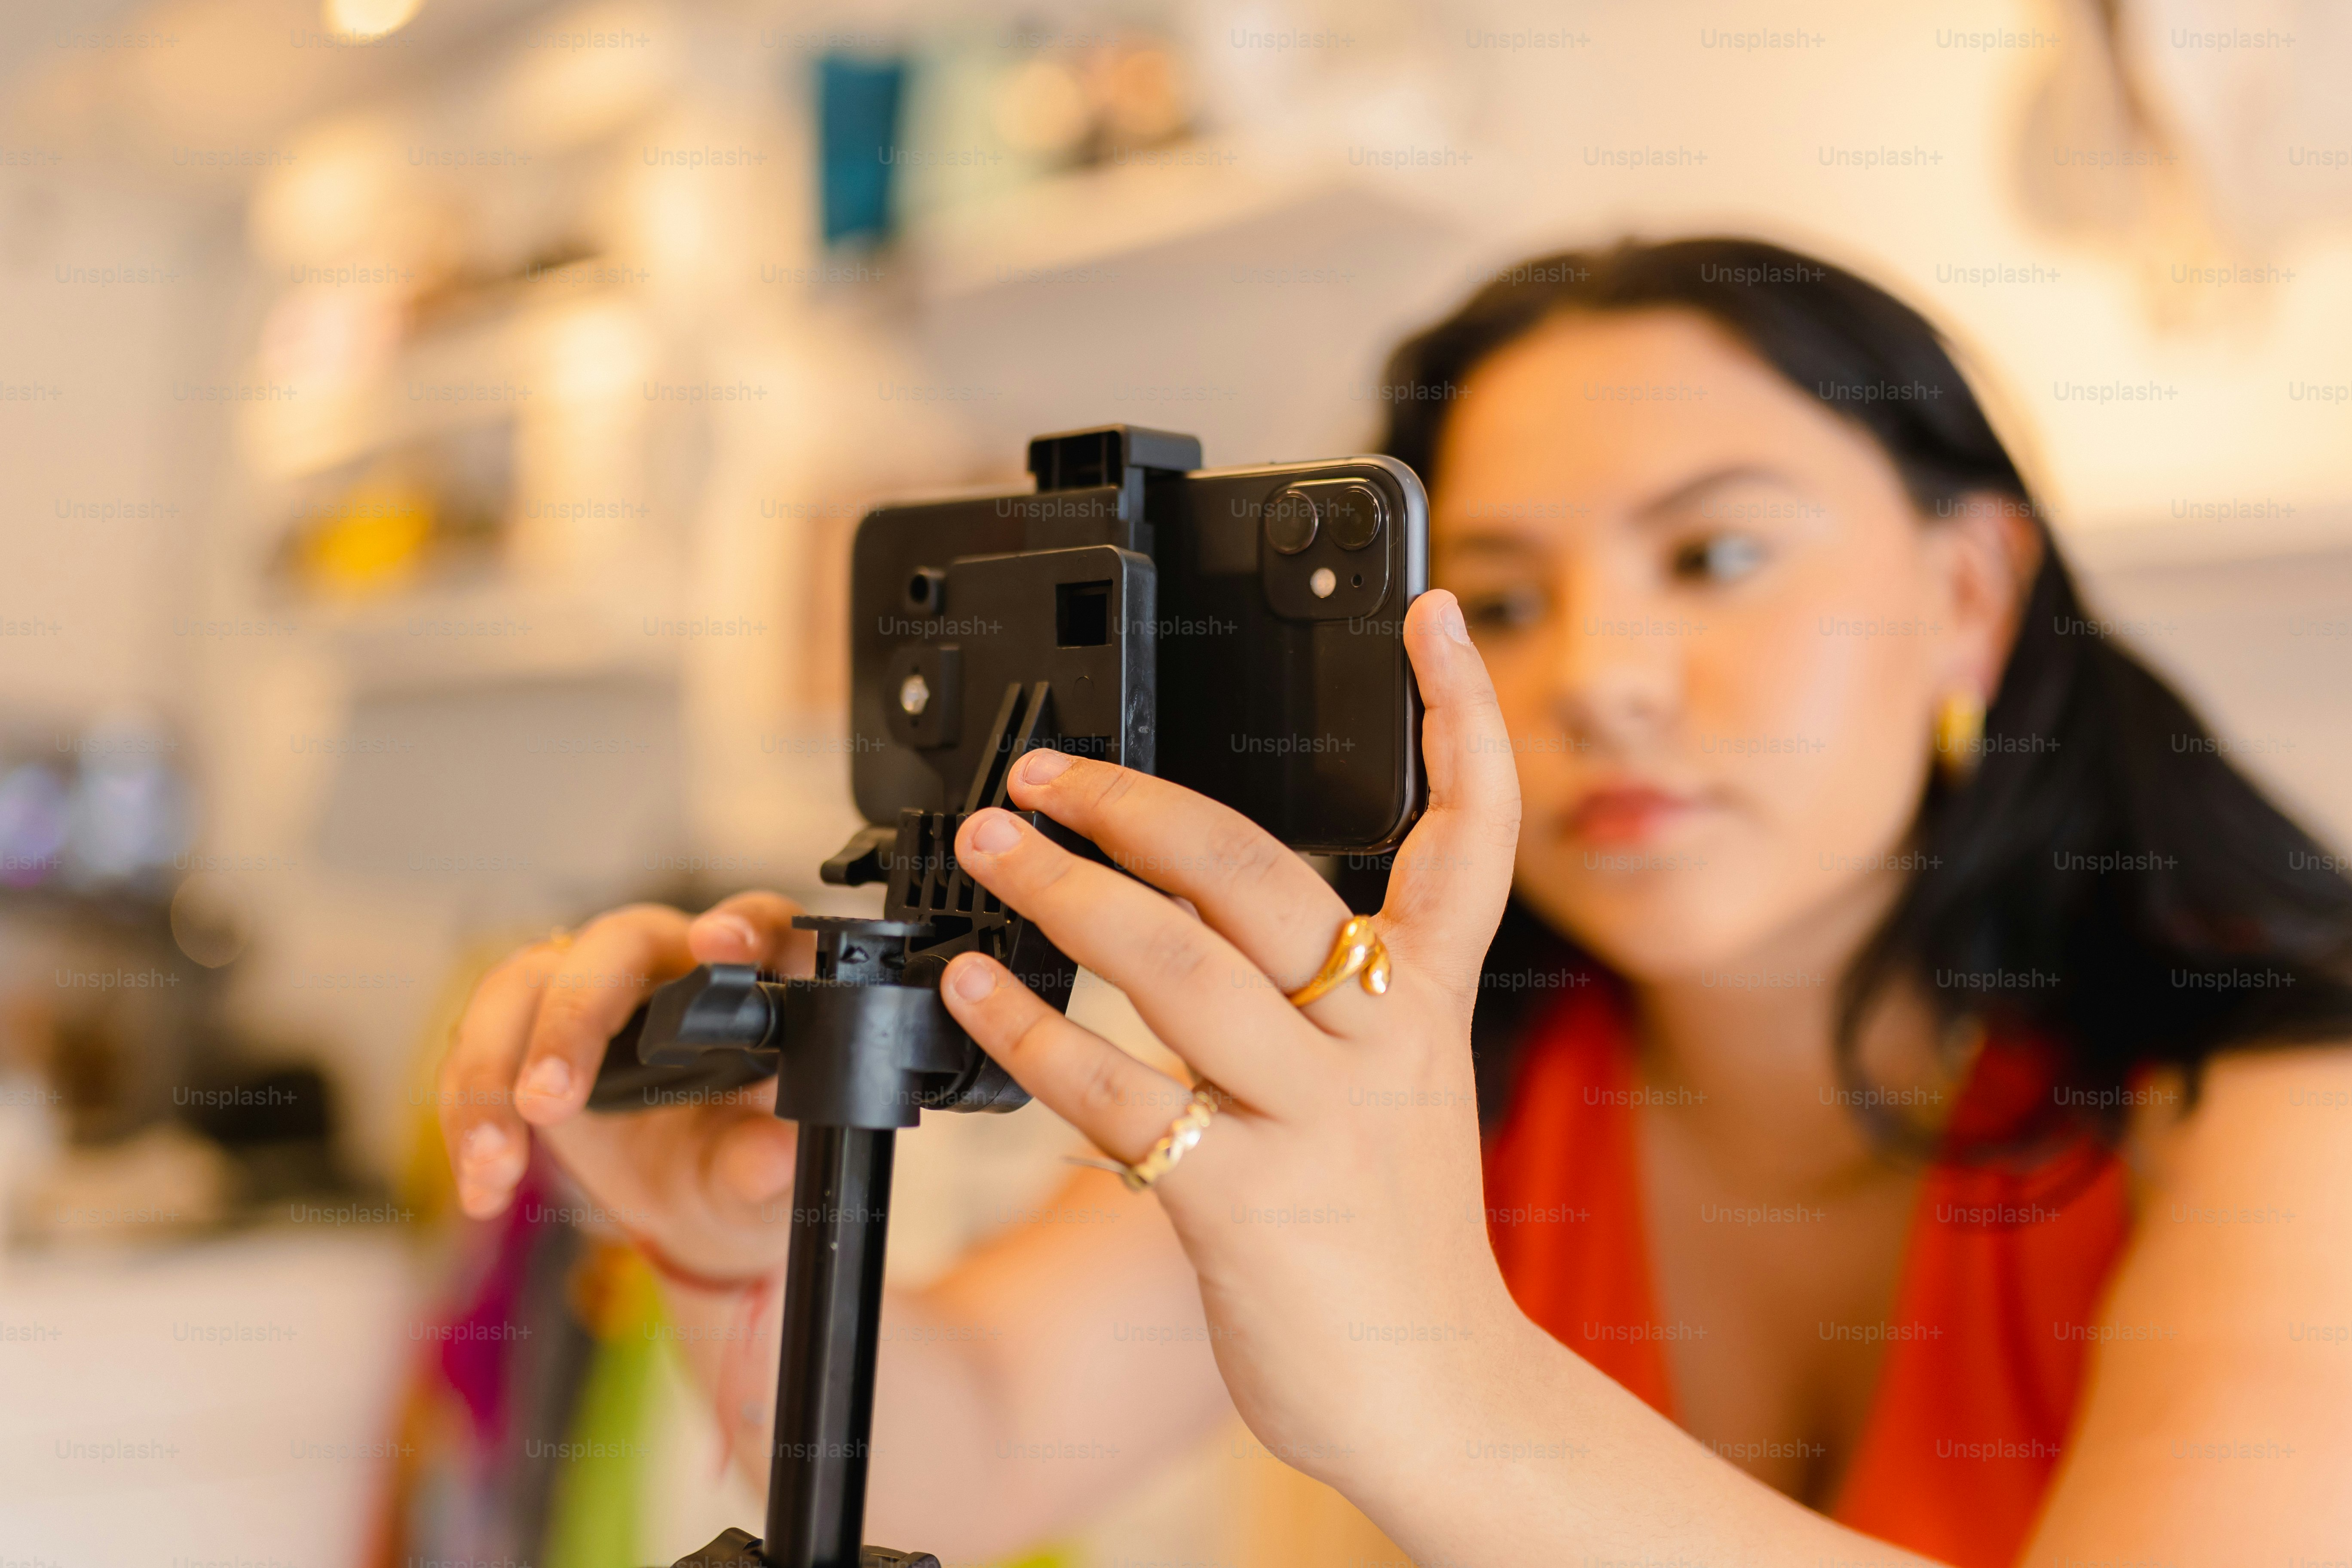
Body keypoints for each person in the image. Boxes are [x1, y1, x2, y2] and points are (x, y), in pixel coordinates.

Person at [438, 238, 2352, 1565]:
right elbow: (977, 1439)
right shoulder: (1453, 1052)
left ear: (1968, 593)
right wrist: (740, 1247)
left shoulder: (2279, 1109)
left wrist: (1444, 1391)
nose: (1601, 680)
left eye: (1718, 554)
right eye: (1500, 599)